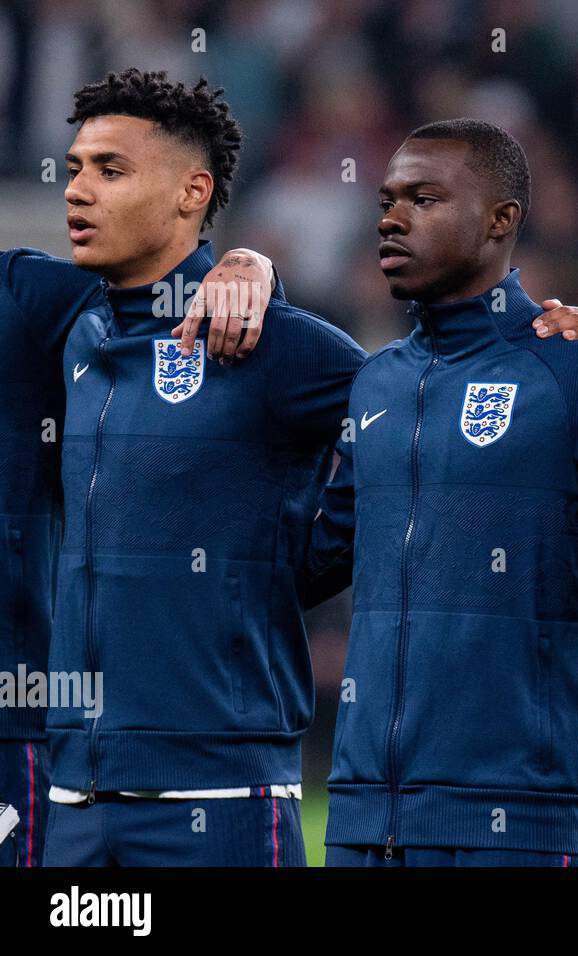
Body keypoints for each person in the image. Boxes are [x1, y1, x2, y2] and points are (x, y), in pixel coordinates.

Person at [302, 119, 578, 866]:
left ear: (503, 220)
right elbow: (314, 561)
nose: (392, 218)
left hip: (517, 815)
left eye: (425, 198)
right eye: (387, 201)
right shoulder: (379, 382)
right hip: (364, 816)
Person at [41, 68, 366, 866]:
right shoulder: (65, 330)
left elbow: (414, 426)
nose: (78, 189)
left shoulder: (271, 342)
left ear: (193, 191)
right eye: (76, 167)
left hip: (218, 799)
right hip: (73, 799)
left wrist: (297, 565)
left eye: (111, 171)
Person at [0, 76, 278, 866]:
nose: (80, 188)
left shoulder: (22, 296)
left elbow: (171, 287)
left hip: (15, 722)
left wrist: (249, 267)